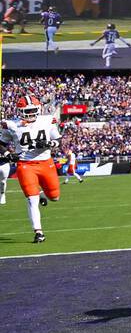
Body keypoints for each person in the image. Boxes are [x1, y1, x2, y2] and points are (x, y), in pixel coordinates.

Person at [0, 95, 61, 243]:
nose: (31, 114)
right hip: (25, 164)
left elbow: (57, 140)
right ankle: (38, 232)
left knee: (55, 197)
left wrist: (49, 144)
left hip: (46, 162)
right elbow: (0, 143)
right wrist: (8, 153)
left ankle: (42, 194)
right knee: (31, 200)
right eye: (28, 111)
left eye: (34, 110)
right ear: (20, 111)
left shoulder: (47, 120)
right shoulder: (12, 125)